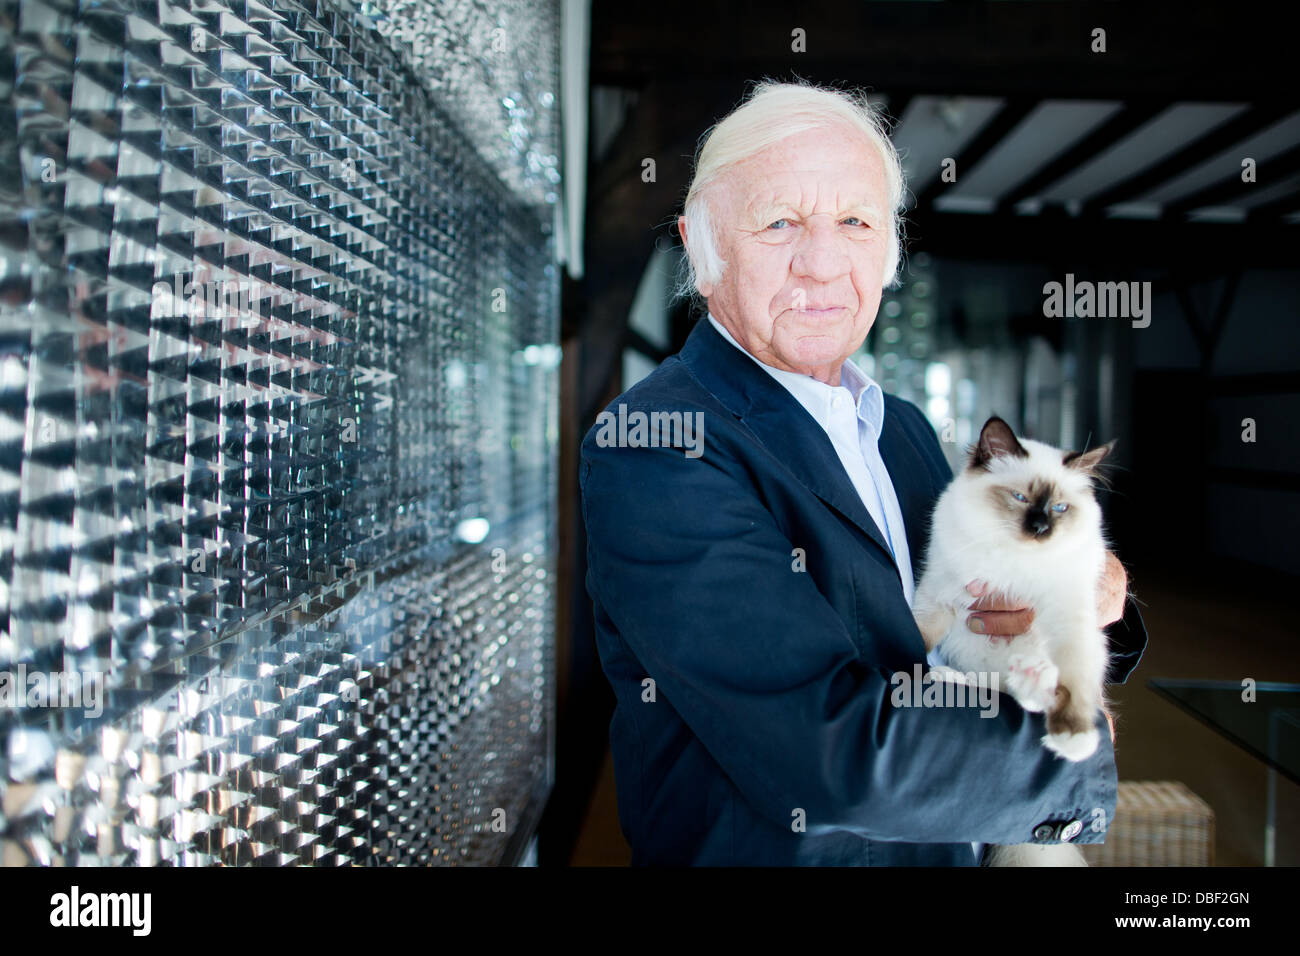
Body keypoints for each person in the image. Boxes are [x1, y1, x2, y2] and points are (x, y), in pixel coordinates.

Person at [580, 80, 1147, 866]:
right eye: (779, 222)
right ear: (701, 250)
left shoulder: (903, 430)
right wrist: (1068, 761)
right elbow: (825, 751)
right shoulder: (657, 443)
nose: (821, 262)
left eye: (854, 222)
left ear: (887, 253)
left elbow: (963, 619)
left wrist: (1073, 587)